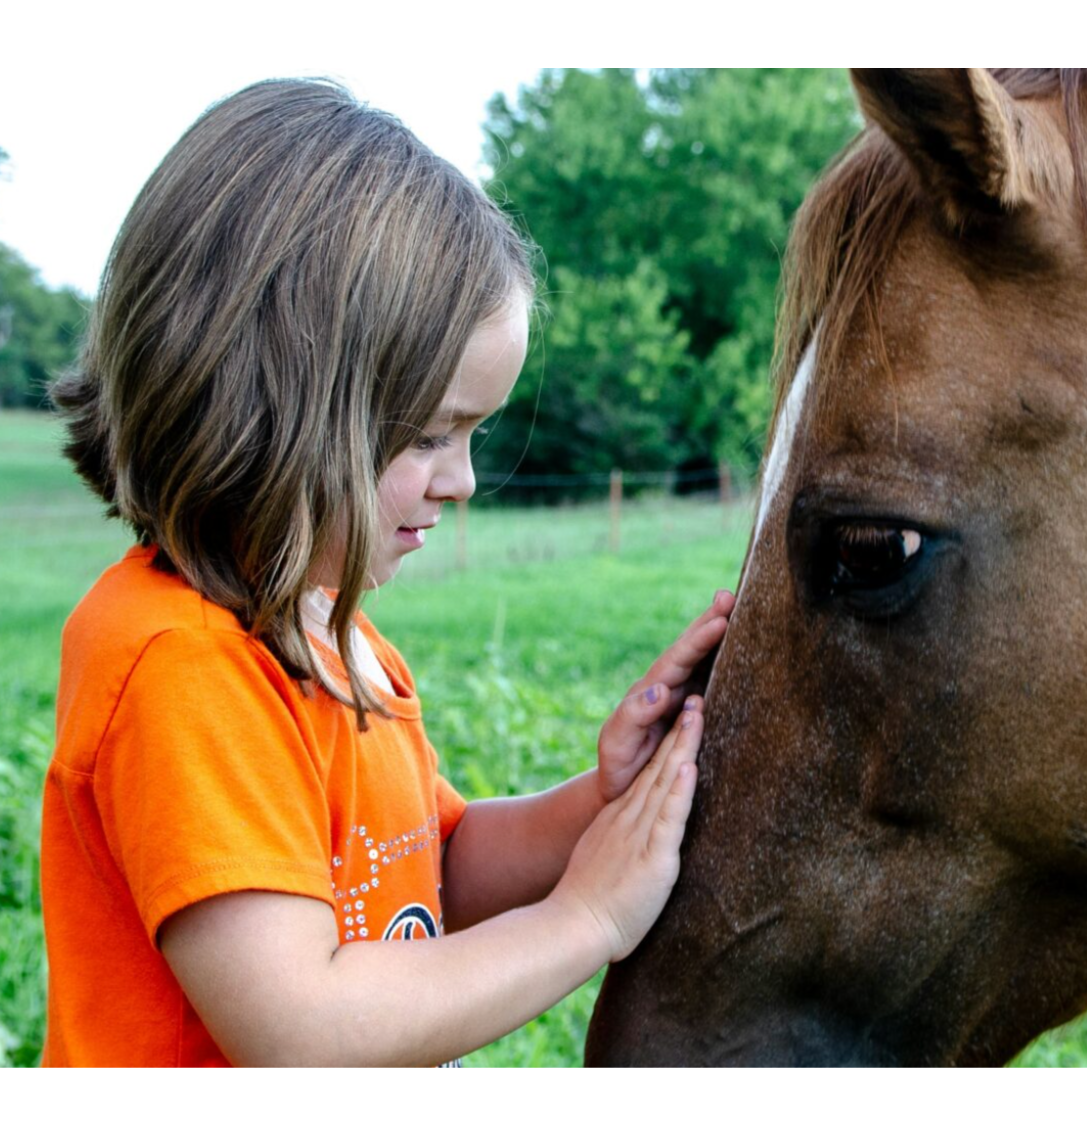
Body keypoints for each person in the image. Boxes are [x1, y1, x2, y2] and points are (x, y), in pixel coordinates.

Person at [40, 78, 733, 1067]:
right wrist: (584, 921)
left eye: (474, 435)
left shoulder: (335, 637)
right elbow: (304, 1031)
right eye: (428, 435)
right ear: (258, 395)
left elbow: (427, 869)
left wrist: (601, 802)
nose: (463, 481)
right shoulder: (179, 668)